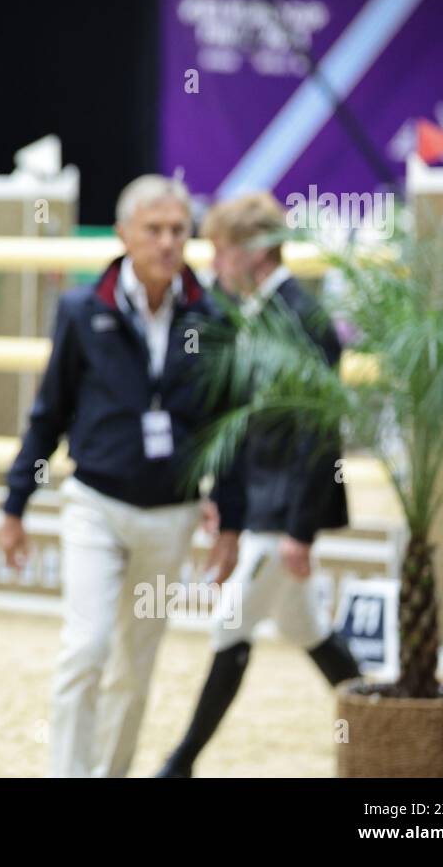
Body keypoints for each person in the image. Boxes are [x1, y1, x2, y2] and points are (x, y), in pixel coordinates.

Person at [0, 174, 245, 777]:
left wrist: (231, 521)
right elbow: (48, 411)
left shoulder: (213, 317)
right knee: (86, 649)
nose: (166, 242)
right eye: (153, 230)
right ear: (123, 235)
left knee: (136, 666)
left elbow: (227, 425)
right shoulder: (83, 310)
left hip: (173, 516)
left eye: (177, 231)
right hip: (95, 505)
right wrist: (14, 504)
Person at [155, 191, 358, 778]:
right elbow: (248, 424)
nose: (214, 262)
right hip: (267, 504)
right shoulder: (260, 314)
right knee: (307, 628)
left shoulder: (301, 317)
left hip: (286, 510)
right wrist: (231, 505)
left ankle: (181, 762)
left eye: (221, 250)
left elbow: (321, 430)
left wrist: (300, 529)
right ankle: (382, 715)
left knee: (231, 624)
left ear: (256, 250)